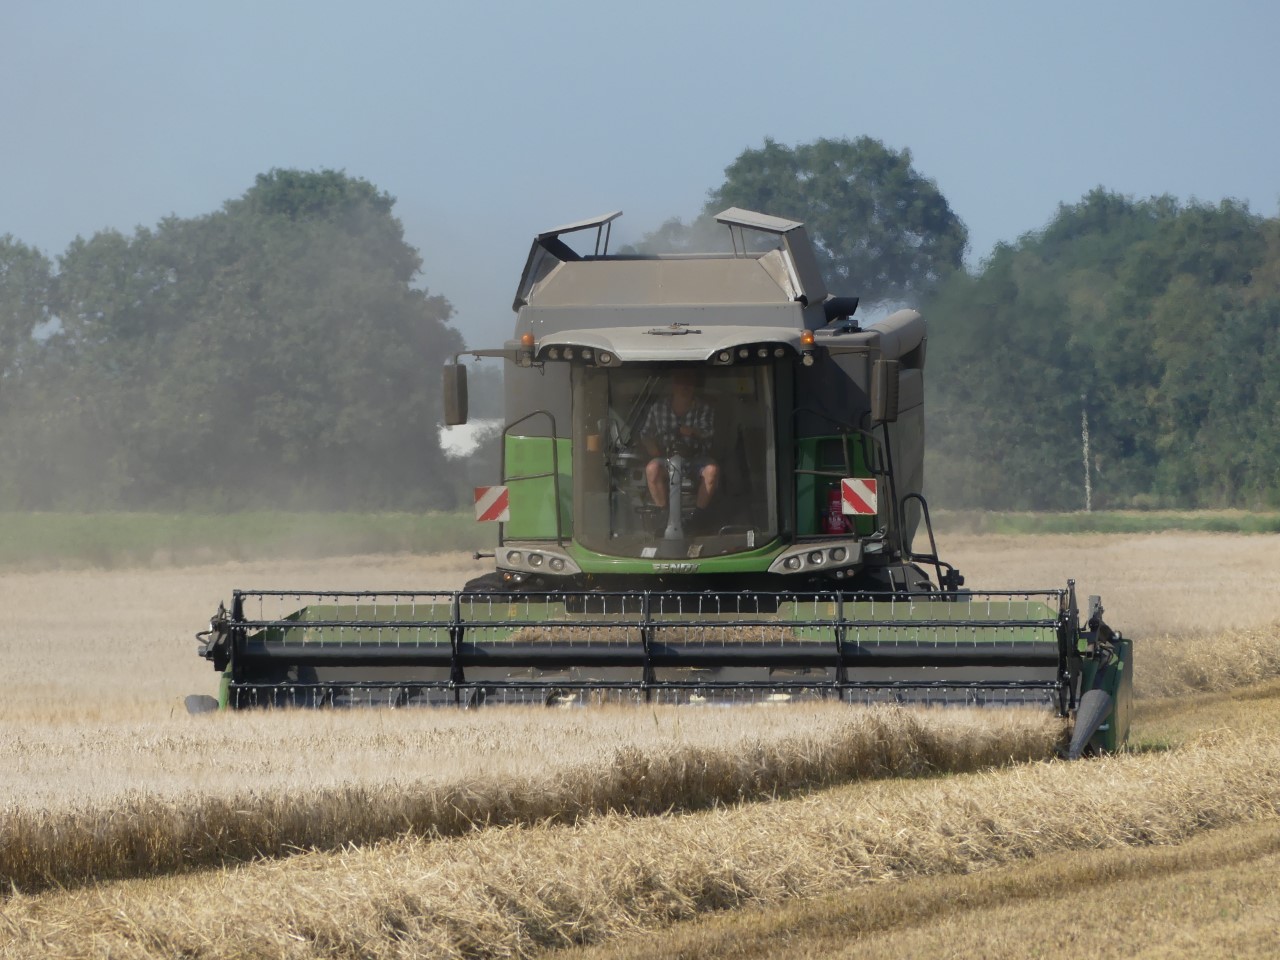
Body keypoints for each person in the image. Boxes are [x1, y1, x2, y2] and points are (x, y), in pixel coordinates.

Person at [640, 369, 719, 516]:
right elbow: (645, 434)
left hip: (695, 459)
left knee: (712, 470)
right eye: (681, 383)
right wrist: (652, 447)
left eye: (689, 383)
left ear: (694, 386)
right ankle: (664, 514)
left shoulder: (704, 408)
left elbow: (709, 433)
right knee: (652, 468)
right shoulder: (658, 408)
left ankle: (699, 516)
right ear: (673, 385)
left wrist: (693, 432)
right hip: (666, 458)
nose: (685, 387)